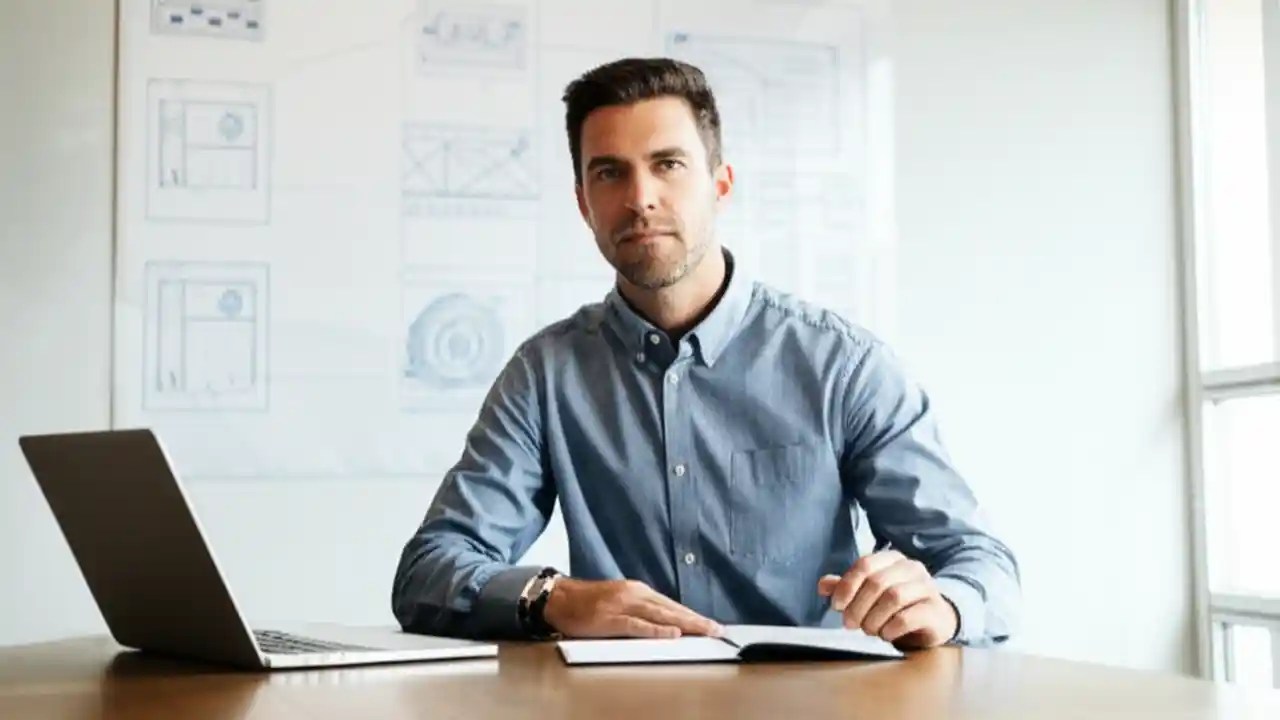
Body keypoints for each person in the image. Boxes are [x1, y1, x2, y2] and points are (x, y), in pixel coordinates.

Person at [392, 57, 1020, 649]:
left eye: (667, 164)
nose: (640, 198)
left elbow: (979, 563)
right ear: (584, 203)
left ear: (720, 183)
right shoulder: (545, 377)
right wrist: (549, 598)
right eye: (609, 172)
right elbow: (428, 570)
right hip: (620, 710)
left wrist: (943, 604)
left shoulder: (842, 366)